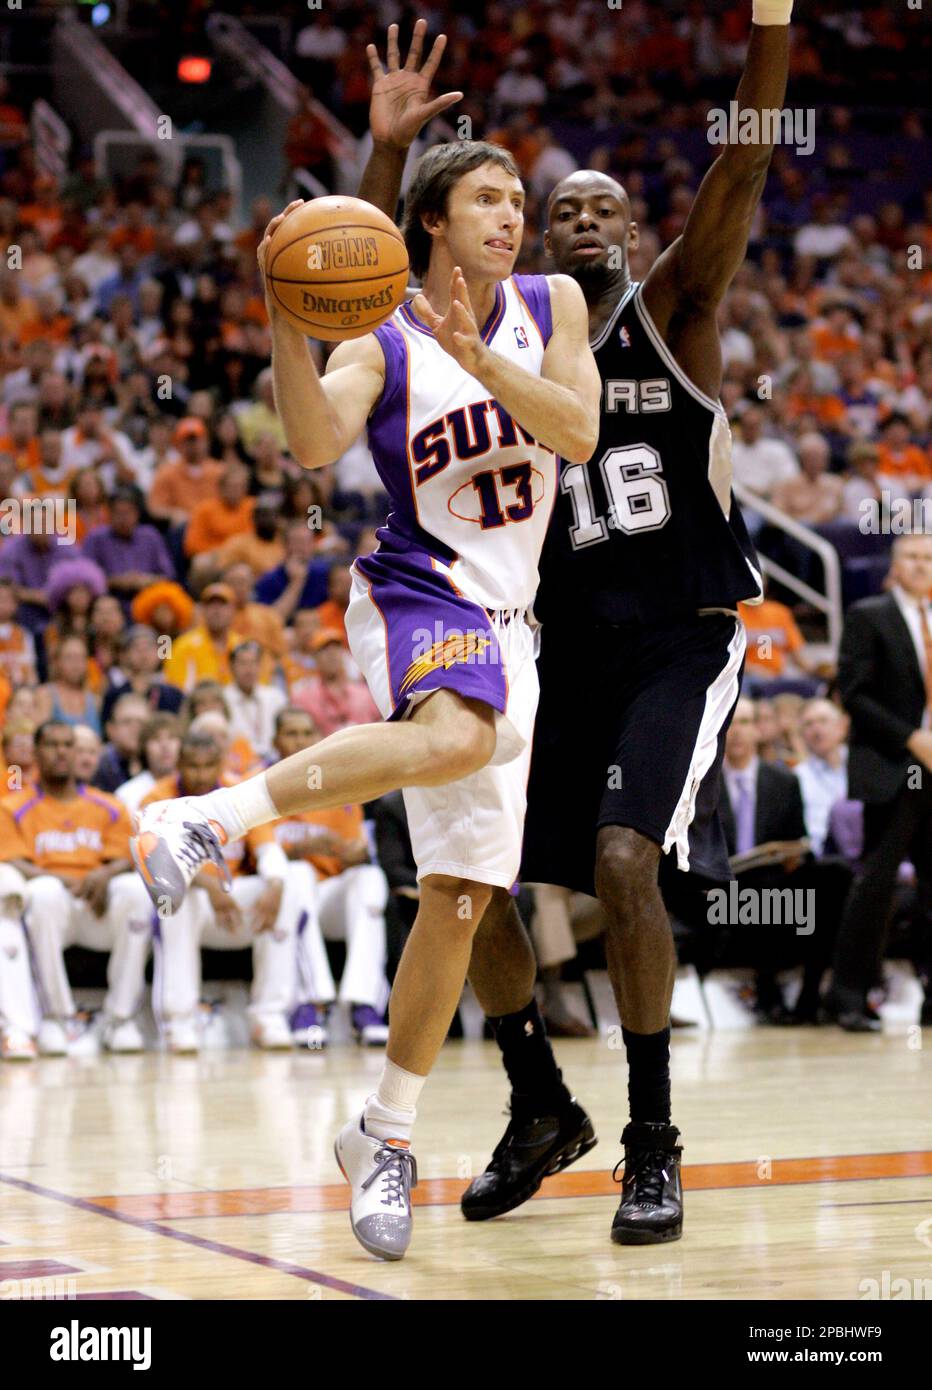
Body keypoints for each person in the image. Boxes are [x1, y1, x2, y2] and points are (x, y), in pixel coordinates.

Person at [132, 29, 599, 1260]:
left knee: (455, 901)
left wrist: (474, 356)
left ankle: (381, 1132)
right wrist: (287, 318)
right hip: (416, 587)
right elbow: (304, 446)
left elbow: (579, 434)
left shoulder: (553, 303)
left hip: (515, 627)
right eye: (486, 199)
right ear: (431, 227)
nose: (512, 214)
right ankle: (210, 815)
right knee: (453, 734)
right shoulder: (379, 331)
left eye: (516, 197)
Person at [357, 5, 788, 1242]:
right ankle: (538, 1101)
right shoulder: (497, 337)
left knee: (616, 862)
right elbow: (366, 267)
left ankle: (652, 1140)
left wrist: (767, 23)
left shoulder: (677, 309)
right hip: (555, 650)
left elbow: (746, 153)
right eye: (560, 215)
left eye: (602, 210)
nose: (580, 224)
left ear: (637, 232)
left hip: (677, 639)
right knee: (466, 879)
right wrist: (387, 154)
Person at [140, 731, 303, 1054]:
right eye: (192, 766)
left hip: (234, 901)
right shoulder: (157, 799)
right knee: (176, 897)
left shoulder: (238, 791)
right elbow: (156, 859)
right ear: (179, 764)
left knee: (290, 882)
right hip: (197, 903)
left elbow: (268, 847)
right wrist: (209, 884)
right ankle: (180, 1022)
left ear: (220, 764)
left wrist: (275, 884)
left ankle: (269, 1016)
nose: (200, 775)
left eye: (207, 766)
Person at [827, 534, 932, 1030]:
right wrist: (913, 738)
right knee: (877, 883)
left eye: (929, 558)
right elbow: (854, 693)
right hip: (893, 767)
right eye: (912, 556)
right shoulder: (869, 615)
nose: (921, 565)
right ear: (894, 565)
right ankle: (848, 996)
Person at [0, 721, 153, 1055]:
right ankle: (57, 1018)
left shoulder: (109, 806)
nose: (61, 752)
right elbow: (11, 860)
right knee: (44, 893)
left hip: (98, 904)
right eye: (52, 744)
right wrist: (65, 880)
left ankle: (121, 1019)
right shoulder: (13, 807)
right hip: (52, 912)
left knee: (135, 891)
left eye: (68, 745)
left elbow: (128, 857)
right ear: (37, 753)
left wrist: (104, 875)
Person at [269, 706, 391, 1046]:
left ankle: (363, 1005)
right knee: (298, 873)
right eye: (290, 733)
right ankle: (311, 1003)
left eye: (306, 733)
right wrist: (306, 847)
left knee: (370, 880)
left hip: (331, 896)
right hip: (285, 897)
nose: (299, 741)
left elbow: (357, 850)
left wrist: (354, 853)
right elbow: (255, 855)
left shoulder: (335, 784)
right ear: (274, 741)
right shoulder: (260, 785)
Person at [291, 628, 379, 736]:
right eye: (324, 650)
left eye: (336, 649)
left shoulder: (365, 694)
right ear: (314, 657)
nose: (331, 655)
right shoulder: (304, 698)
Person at [116, 712, 183, 814]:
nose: (164, 745)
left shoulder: (196, 788)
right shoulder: (127, 795)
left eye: (171, 738)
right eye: (156, 739)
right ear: (144, 748)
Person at [92, 692, 150, 794]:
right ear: (110, 729)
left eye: (141, 723)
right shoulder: (97, 765)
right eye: (127, 722)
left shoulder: (154, 764)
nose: (135, 728)